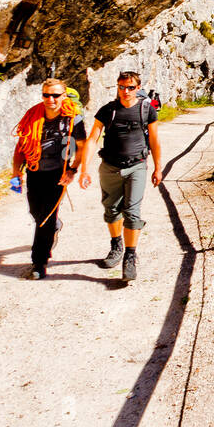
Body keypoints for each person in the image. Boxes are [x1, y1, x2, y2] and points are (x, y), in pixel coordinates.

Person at [78, 71, 162, 283]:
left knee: (132, 212)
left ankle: (130, 256)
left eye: (131, 87)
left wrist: (158, 168)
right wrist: (84, 169)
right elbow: (92, 139)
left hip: (137, 167)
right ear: (117, 87)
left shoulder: (147, 110)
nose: (126, 91)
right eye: (122, 87)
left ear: (138, 88)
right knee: (112, 210)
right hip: (110, 168)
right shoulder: (108, 110)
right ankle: (117, 245)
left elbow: (154, 140)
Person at [12, 78, 87, 280]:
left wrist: (72, 170)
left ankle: (39, 261)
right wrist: (15, 170)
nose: (51, 99)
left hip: (57, 173)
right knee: (36, 212)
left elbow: (81, 147)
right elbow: (21, 145)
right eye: (47, 95)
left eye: (55, 95)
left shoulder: (73, 119)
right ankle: (54, 227)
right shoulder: (32, 116)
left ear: (64, 96)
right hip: (34, 170)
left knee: (45, 218)